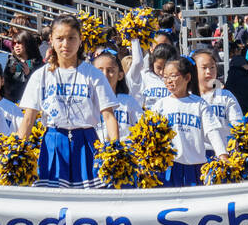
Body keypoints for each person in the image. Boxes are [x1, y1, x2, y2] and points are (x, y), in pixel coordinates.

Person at [17, 15, 119, 189]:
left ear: (80, 40)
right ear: (51, 40)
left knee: (89, 200)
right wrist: (16, 152)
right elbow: (28, 118)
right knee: (52, 202)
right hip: (53, 142)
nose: (65, 44)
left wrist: (115, 151)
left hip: (86, 142)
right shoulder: (40, 76)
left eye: (71, 38)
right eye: (60, 38)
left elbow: (108, 116)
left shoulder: (93, 74)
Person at [151, 57, 227, 188]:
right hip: (169, 167)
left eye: (173, 76)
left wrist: (222, 155)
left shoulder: (199, 103)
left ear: (187, 78)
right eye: (165, 77)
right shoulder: (160, 105)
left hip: (196, 167)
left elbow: (212, 131)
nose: (168, 81)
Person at [92, 49, 142, 143]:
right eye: (99, 70)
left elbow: (142, 129)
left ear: (120, 75)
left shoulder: (128, 102)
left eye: (110, 71)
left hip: (124, 154)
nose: (104, 75)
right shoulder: (87, 101)